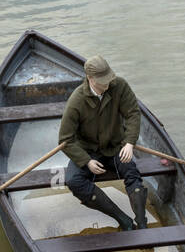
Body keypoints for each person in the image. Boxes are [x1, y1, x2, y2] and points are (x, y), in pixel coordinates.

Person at [57, 55, 148, 231]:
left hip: (116, 147)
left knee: (131, 171)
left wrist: (129, 143)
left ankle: (142, 222)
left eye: (108, 79)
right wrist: (87, 161)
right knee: (73, 181)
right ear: (90, 79)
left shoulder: (119, 85)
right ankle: (123, 219)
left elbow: (132, 114)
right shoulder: (76, 101)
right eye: (102, 81)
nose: (107, 84)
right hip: (88, 151)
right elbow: (65, 139)